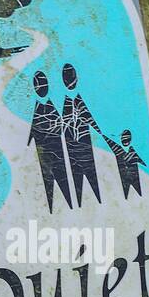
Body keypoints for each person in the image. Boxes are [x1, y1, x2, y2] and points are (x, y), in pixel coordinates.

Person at [28, 71, 72, 212]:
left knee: (63, 180)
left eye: (44, 85)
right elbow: (32, 131)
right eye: (40, 86)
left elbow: (61, 124)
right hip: (44, 151)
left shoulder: (51, 106)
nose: (42, 89)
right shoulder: (38, 108)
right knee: (48, 186)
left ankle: (69, 206)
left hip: (56, 147)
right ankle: (52, 209)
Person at [61, 64, 101, 205]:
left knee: (92, 178)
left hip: (85, 142)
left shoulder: (78, 100)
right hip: (71, 144)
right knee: (76, 180)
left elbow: (90, 119)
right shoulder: (66, 103)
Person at [106, 129, 146, 198]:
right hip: (124, 170)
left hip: (129, 171)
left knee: (135, 191)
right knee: (127, 192)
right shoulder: (124, 149)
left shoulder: (129, 150)